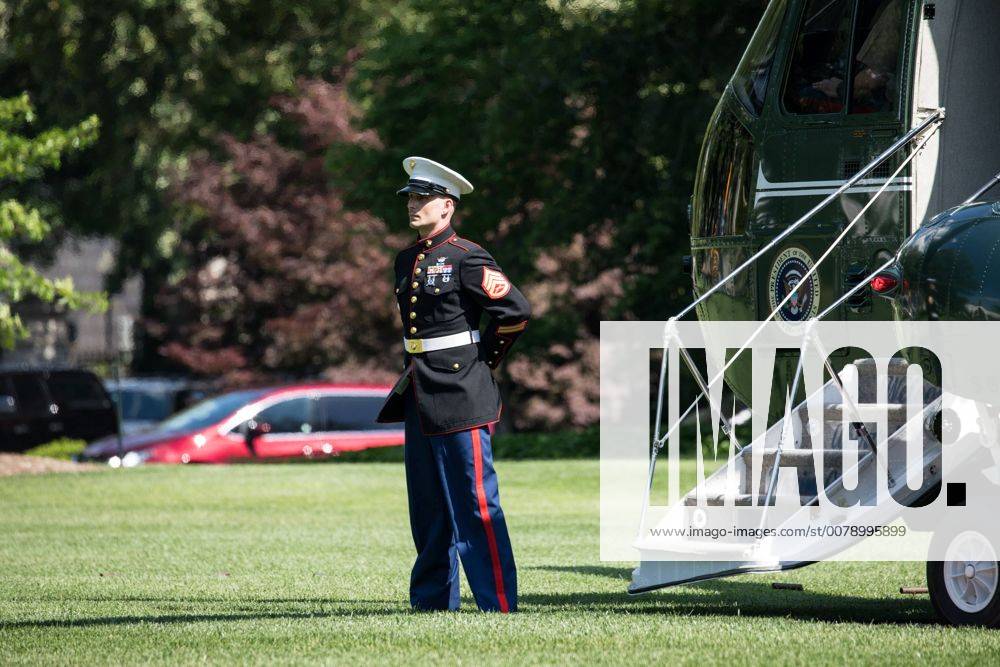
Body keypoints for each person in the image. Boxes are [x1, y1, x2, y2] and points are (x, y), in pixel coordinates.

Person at [376, 156, 531, 613]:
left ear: (447, 206)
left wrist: (483, 363)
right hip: (420, 394)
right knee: (427, 508)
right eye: (410, 198)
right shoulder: (406, 259)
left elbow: (515, 312)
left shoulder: (467, 256)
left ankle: (497, 603)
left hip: (464, 394)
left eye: (422, 198)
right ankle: (432, 603)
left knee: (477, 506)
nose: (412, 205)